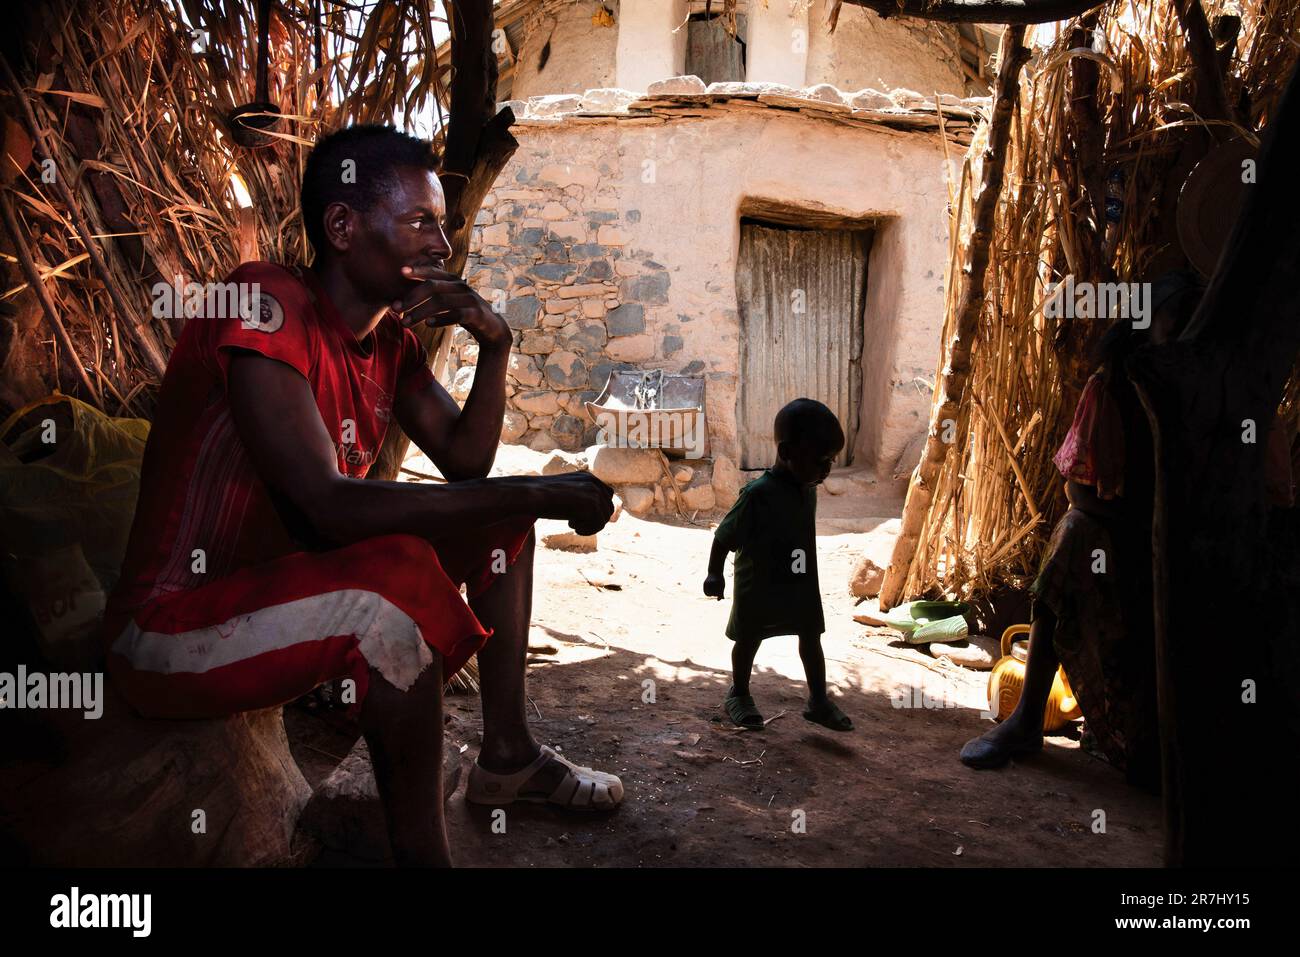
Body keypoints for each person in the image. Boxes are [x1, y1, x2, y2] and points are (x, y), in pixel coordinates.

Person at [100, 125, 622, 867]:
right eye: (421, 222)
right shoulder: (262, 303)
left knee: (503, 523)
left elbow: (468, 462)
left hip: (282, 596)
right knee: (395, 588)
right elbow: (328, 506)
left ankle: (507, 756)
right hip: (172, 627)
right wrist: (539, 487)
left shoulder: (391, 344)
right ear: (343, 226)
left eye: (443, 225)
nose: (442, 246)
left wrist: (497, 346)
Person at [703, 398, 853, 732]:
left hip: (799, 581)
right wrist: (714, 573)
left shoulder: (807, 489)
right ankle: (738, 693)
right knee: (748, 638)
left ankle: (818, 701)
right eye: (820, 460)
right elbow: (724, 537)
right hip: (759, 583)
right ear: (786, 452)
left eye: (830, 461)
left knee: (811, 634)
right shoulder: (758, 494)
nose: (826, 469)